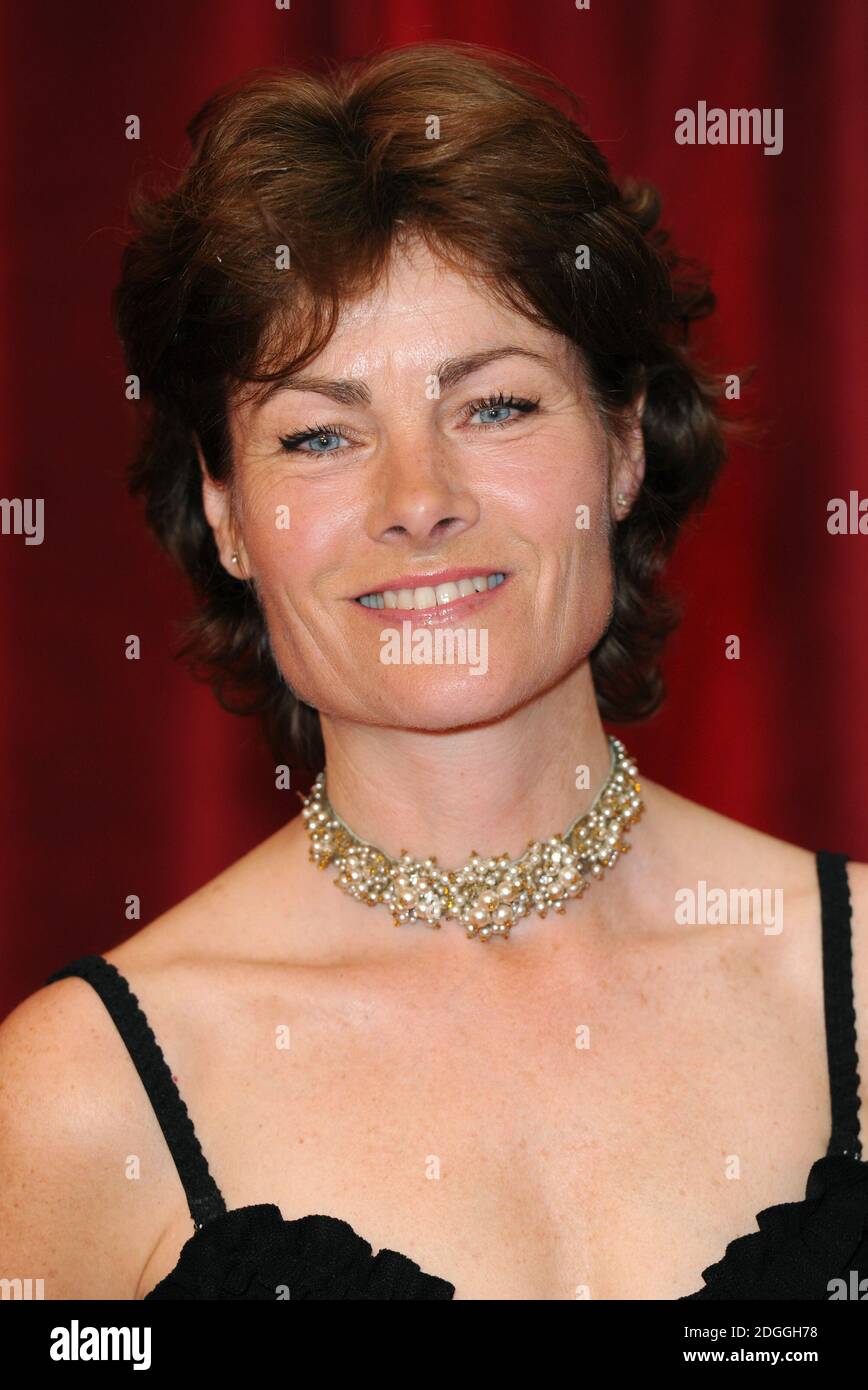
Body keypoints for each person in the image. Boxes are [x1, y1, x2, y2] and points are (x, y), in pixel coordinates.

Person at [1, 41, 865, 1302]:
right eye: (319, 433)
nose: (418, 500)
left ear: (624, 446)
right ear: (227, 512)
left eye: (496, 407)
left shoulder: (861, 980)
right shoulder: (80, 1096)